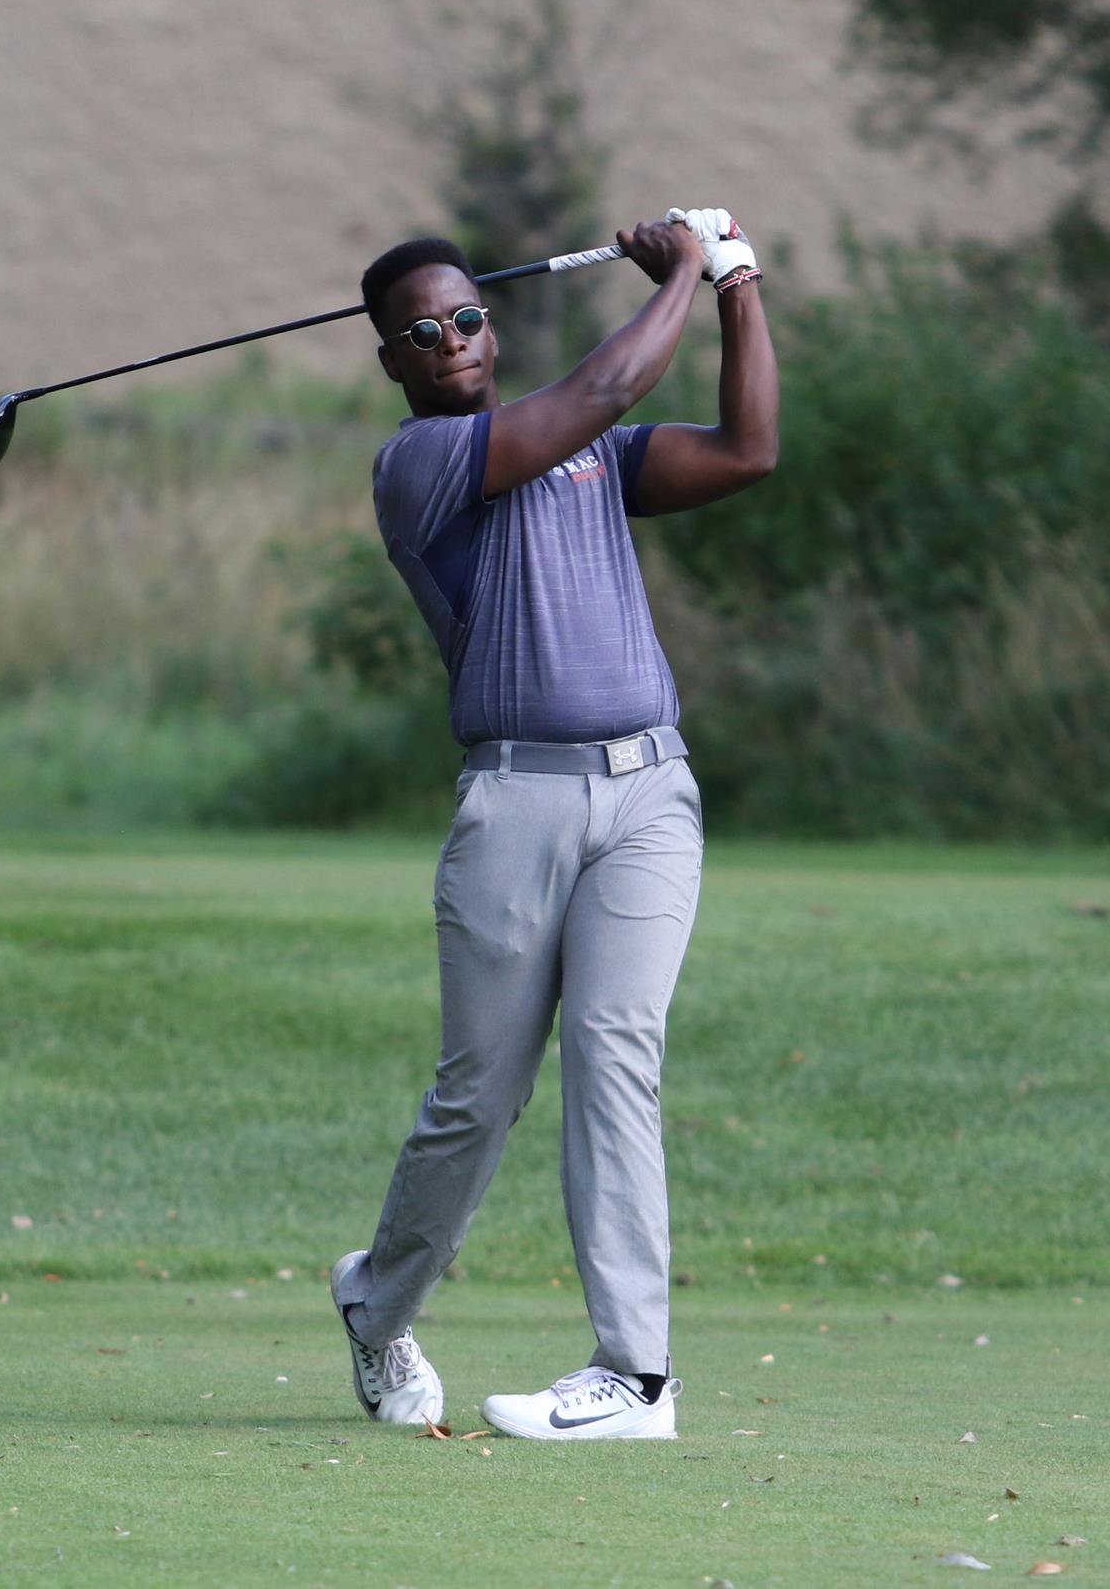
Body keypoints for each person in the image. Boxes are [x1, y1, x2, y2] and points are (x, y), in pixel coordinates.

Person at [329, 209, 778, 1440]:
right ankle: (377, 1308)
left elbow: (746, 450)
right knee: (479, 1094)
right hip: (514, 798)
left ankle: (634, 1374)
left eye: (467, 317)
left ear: (491, 321)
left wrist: (738, 289)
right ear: (394, 362)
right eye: (421, 332)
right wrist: (683, 267)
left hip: (648, 792)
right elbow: (605, 380)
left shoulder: (596, 453)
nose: (452, 341)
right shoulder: (419, 466)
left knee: (615, 1051)